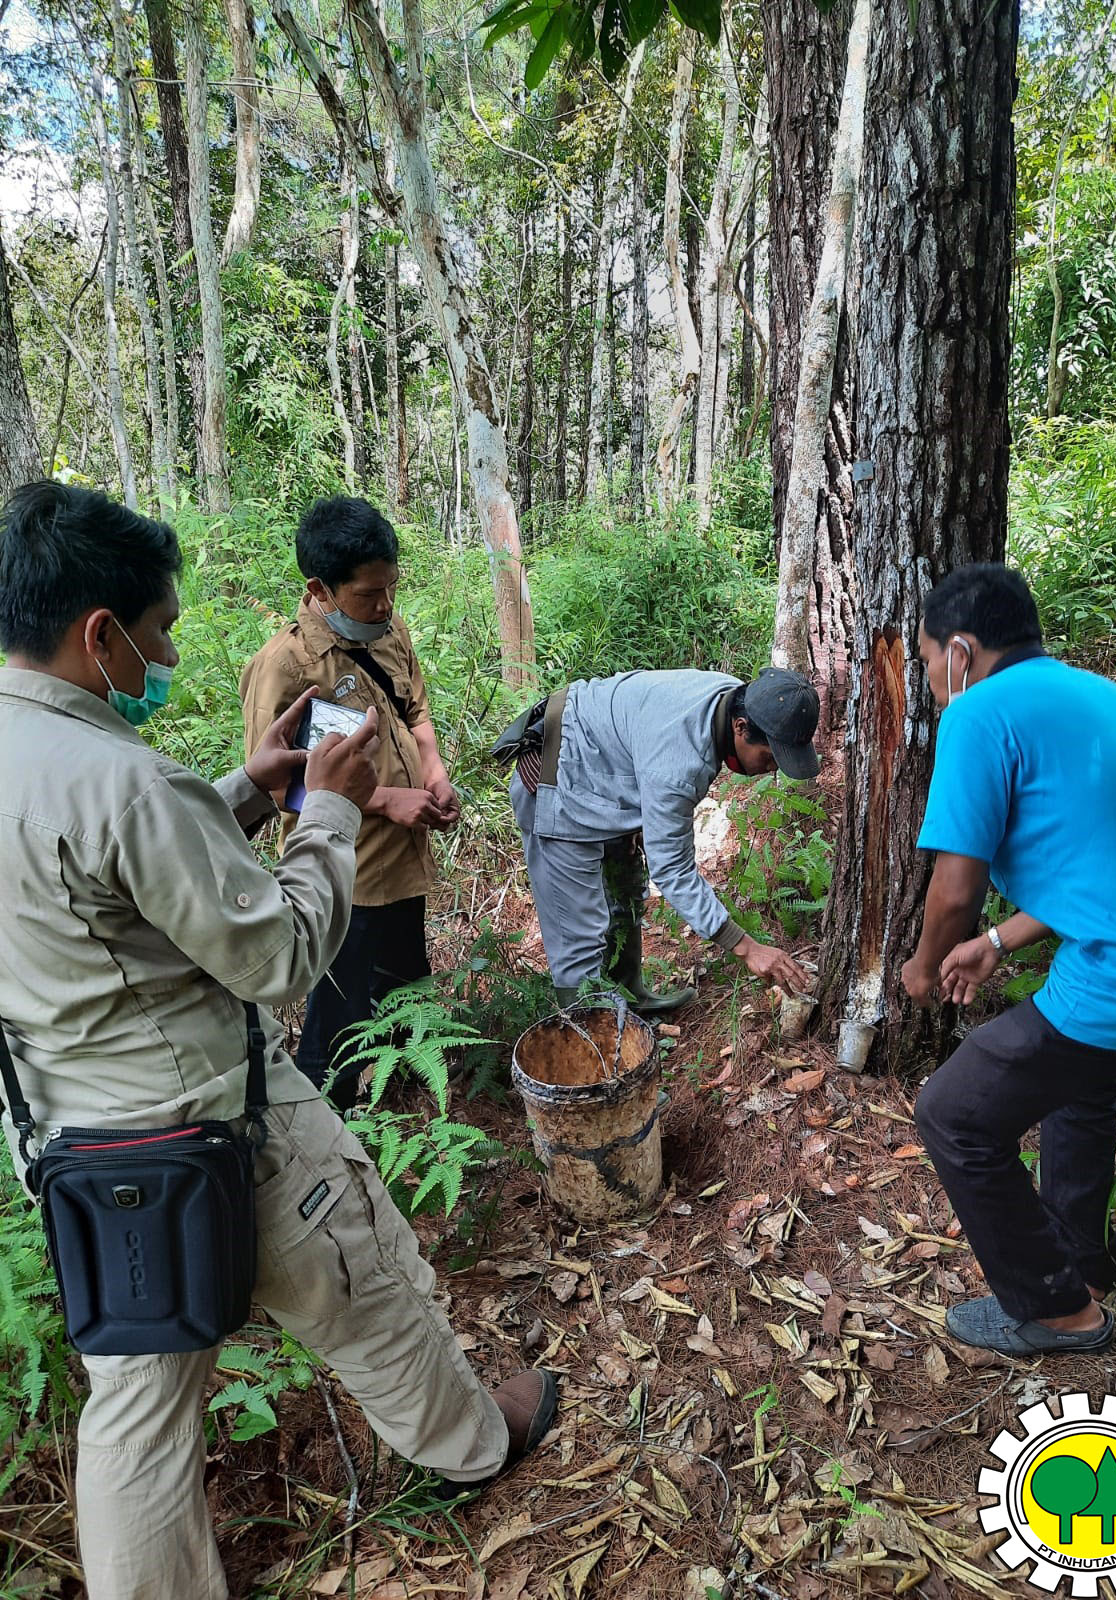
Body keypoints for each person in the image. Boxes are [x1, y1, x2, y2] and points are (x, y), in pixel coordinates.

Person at [0, 482, 555, 1600]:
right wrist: (333, 810)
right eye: (156, 631)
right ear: (98, 632)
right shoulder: (123, 775)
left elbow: (109, 882)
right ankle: (471, 1444)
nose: (165, 653)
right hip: (213, 1123)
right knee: (364, 1275)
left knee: (140, 1407)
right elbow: (276, 956)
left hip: (76, 1145)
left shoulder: (49, 760)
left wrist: (248, 789)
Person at [901, 562, 1116, 1356]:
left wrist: (925, 967)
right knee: (1080, 1084)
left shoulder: (980, 714)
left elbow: (954, 887)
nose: (929, 677)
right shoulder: (1093, 697)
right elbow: (1108, 862)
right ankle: (1078, 1263)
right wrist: (998, 942)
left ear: (960, 652)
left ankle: (1059, 1311)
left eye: (928, 657)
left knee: (953, 1113)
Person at [240, 496, 458, 1111]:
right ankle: (332, 1126)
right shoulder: (283, 668)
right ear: (321, 590)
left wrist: (434, 772)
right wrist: (389, 800)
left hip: (403, 864)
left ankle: (402, 1107)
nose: (384, 606)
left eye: (391, 588)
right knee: (339, 1017)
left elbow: (414, 708)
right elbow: (279, 785)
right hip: (344, 876)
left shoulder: (390, 630)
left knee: (405, 996)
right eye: (368, 595)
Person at [503, 666, 821, 1010]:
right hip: (558, 780)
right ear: (740, 728)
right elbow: (673, 871)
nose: (772, 769)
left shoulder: (732, 698)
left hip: (600, 762)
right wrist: (748, 948)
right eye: (771, 757)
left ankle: (630, 997)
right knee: (579, 936)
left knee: (625, 887)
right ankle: (590, 1034)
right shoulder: (679, 763)